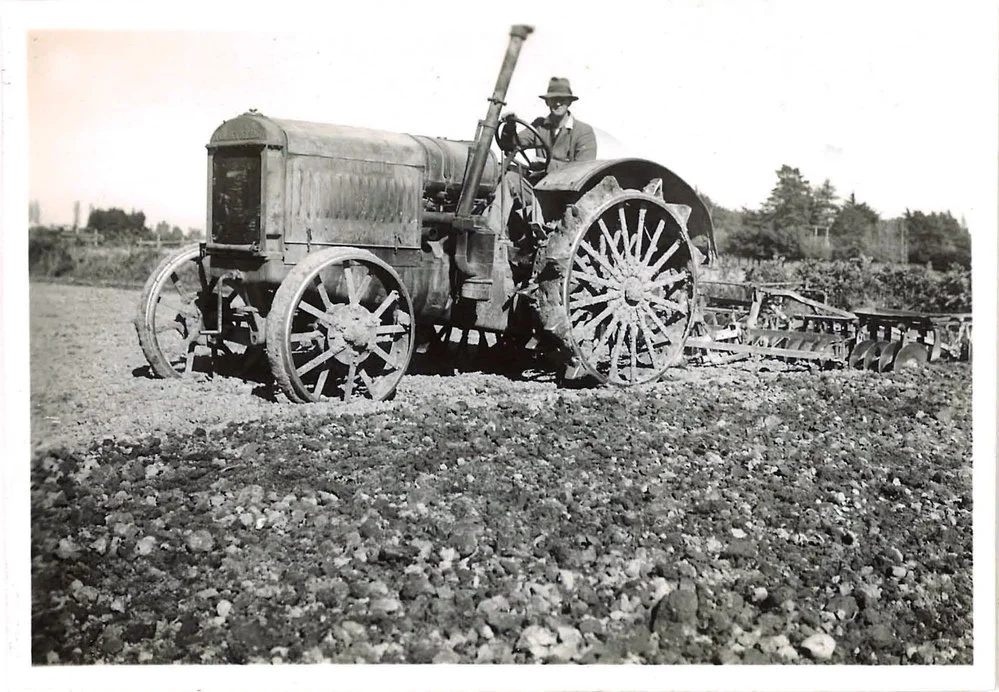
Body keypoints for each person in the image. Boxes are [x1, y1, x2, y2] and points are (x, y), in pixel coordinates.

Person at [499, 77, 597, 172]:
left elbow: (583, 170)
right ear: (547, 102)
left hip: (566, 187)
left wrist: (546, 164)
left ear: (569, 102)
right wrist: (510, 126)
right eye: (554, 99)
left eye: (562, 99)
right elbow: (511, 146)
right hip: (538, 183)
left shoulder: (584, 131)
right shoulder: (539, 125)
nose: (558, 103)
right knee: (509, 176)